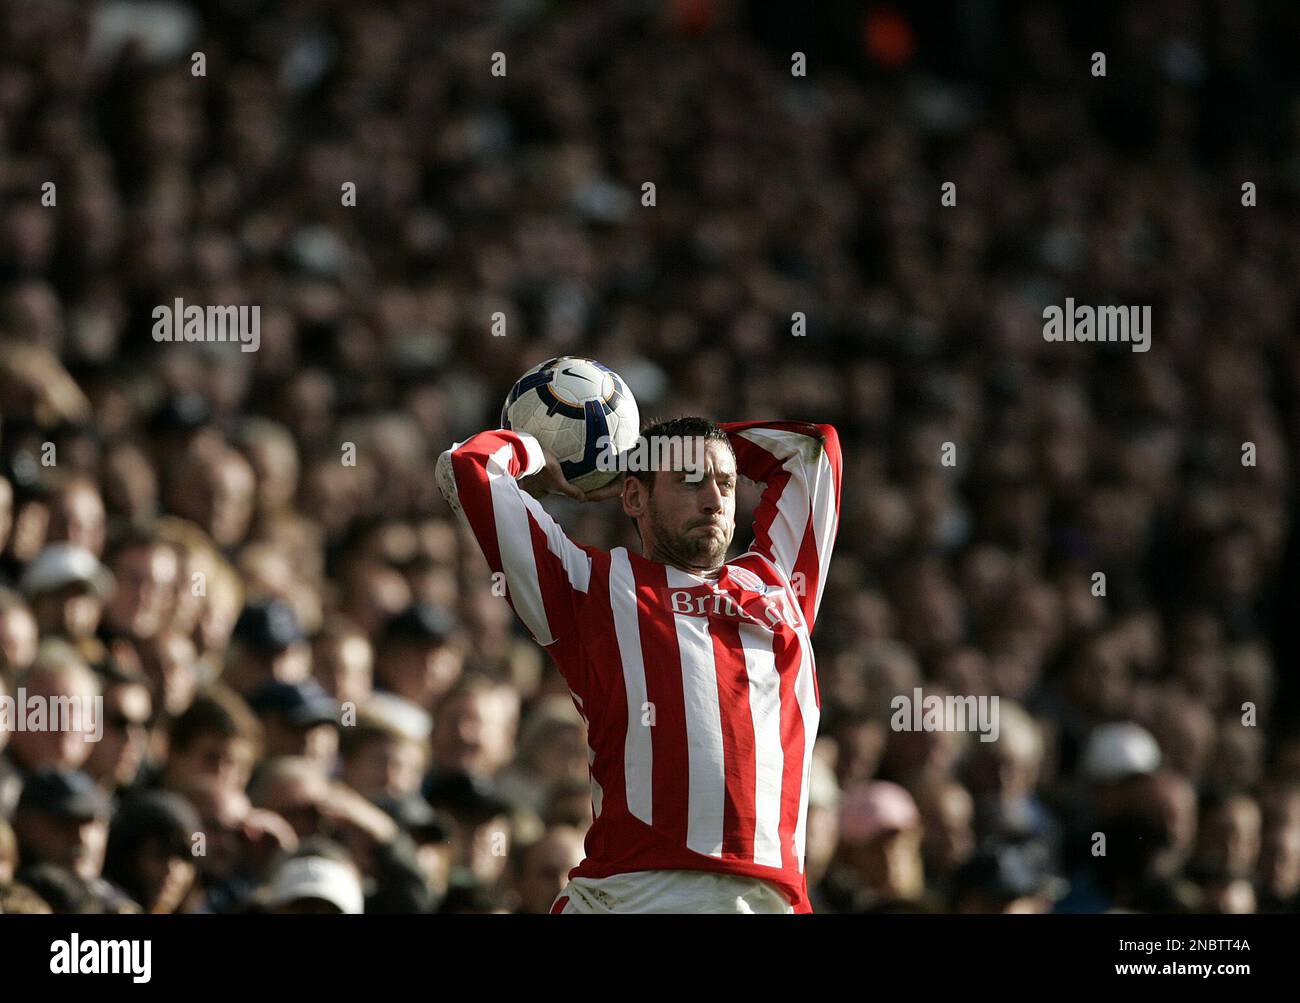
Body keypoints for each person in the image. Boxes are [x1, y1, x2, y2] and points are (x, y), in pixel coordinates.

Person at [436, 415, 841, 912]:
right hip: (634, 894)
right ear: (633, 498)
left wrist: (651, 450)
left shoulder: (783, 586)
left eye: (727, 482)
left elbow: (810, 448)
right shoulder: (590, 587)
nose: (713, 498)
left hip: (766, 899)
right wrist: (556, 454)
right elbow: (471, 466)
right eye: (689, 480)